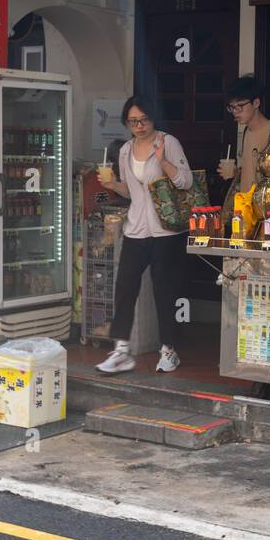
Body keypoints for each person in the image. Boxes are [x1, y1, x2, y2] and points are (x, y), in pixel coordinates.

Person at [95, 96, 192, 374]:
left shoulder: (168, 143)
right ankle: (122, 349)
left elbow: (186, 181)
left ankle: (169, 350)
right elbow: (131, 192)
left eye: (144, 120)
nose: (139, 126)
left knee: (165, 290)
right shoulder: (125, 150)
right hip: (136, 229)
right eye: (133, 121)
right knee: (125, 287)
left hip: (166, 230)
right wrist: (114, 184)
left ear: (153, 118)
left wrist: (164, 161)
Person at [218, 76, 269, 192]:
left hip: (263, 203)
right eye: (232, 107)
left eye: (240, 106)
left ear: (256, 103)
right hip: (245, 204)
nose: (235, 112)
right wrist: (236, 172)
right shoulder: (246, 131)